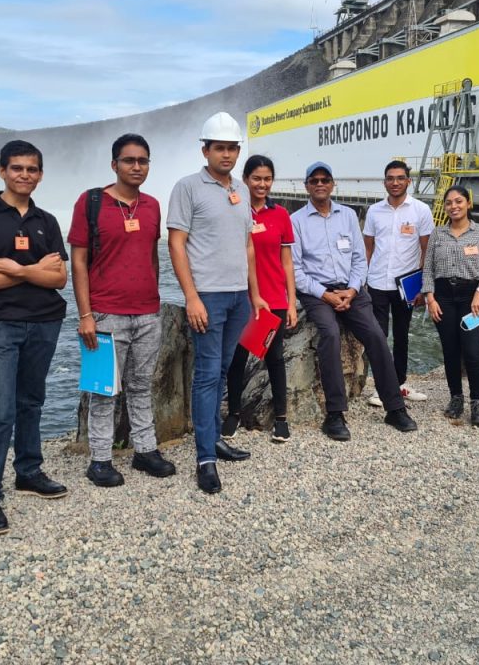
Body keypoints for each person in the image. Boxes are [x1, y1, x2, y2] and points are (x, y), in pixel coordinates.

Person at [0, 140, 70, 537]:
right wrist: (34, 268)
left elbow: (59, 279)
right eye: (17, 168)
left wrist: (15, 268)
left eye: (32, 169)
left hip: (45, 321)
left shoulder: (47, 220)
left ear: (40, 174)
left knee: (31, 402)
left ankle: (28, 471)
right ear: (2, 170)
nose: (25, 175)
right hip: (0, 323)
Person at [167, 112, 269, 494]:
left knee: (223, 369)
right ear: (205, 149)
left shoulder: (241, 190)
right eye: (219, 148)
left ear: (238, 151)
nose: (226, 154)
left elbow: (248, 245)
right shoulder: (188, 187)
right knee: (208, 373)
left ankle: (214, 441)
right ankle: (205, 459)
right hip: (207, 295)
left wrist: (254, 293)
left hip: (238, 297)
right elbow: (177, 243)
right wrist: (191, 297)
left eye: (232, 148)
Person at [69, 133, 176, 487]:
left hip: (147, 312)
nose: (136, 167)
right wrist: (85, 314)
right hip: (105, 313)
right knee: (103, 390)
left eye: (143, 161)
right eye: (129, 160)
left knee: (141, 384)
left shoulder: (152, 206)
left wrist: (155, 298)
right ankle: (100, 459)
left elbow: (150, 257)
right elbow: (79, 261)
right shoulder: (91, 202)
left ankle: (145, 450)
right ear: (114, 164)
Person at [291, 161, 418, 441]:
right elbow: (296, 269)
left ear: (332, 184)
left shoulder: (348, 215)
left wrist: (351, 289)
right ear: (307, 187)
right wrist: (325, 294)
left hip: (351, 290)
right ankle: (335, 414)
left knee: (375, 334)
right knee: (331, 334)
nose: (320, 184)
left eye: (325, 179)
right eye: (315, 180)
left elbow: (360, 258)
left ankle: (394, 407)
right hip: (318, 293)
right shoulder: (296, 221)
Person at [224, 155, 297, 443]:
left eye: (267, 179)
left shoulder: (280, 215)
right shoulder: (236, 210)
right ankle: (234, 414)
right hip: (240, 297)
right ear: (245, 179)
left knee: (274, 357)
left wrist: (291, 302)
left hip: (274, 299)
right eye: (257, 178)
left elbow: (287, 262)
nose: (262, 184)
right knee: (237, 358)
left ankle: (281, 418)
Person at [422, 186, 479, 426]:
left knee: (473, 352)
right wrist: (430, 298)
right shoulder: (438, 234)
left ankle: (478, 402)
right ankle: (456, 398)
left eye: (458, 201)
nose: (453, 206)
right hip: (443, 297)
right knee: (450, 351)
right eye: (449, 203)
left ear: (468, 204)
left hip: (471, 297)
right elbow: (428, 269)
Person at [363, 160, 434, 406]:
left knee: (403, 335)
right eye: (390, 178)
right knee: (378, 335)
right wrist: (362, 280)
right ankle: (380, 387)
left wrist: (424, 287)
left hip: (406, 286)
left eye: (400, 178)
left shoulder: (421, 210)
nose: (395, 182)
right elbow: (368, 248)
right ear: (385, 182)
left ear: (408, 181)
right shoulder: (374, 211)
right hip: (377, 282)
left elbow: (427, 250)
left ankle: (400, 384)